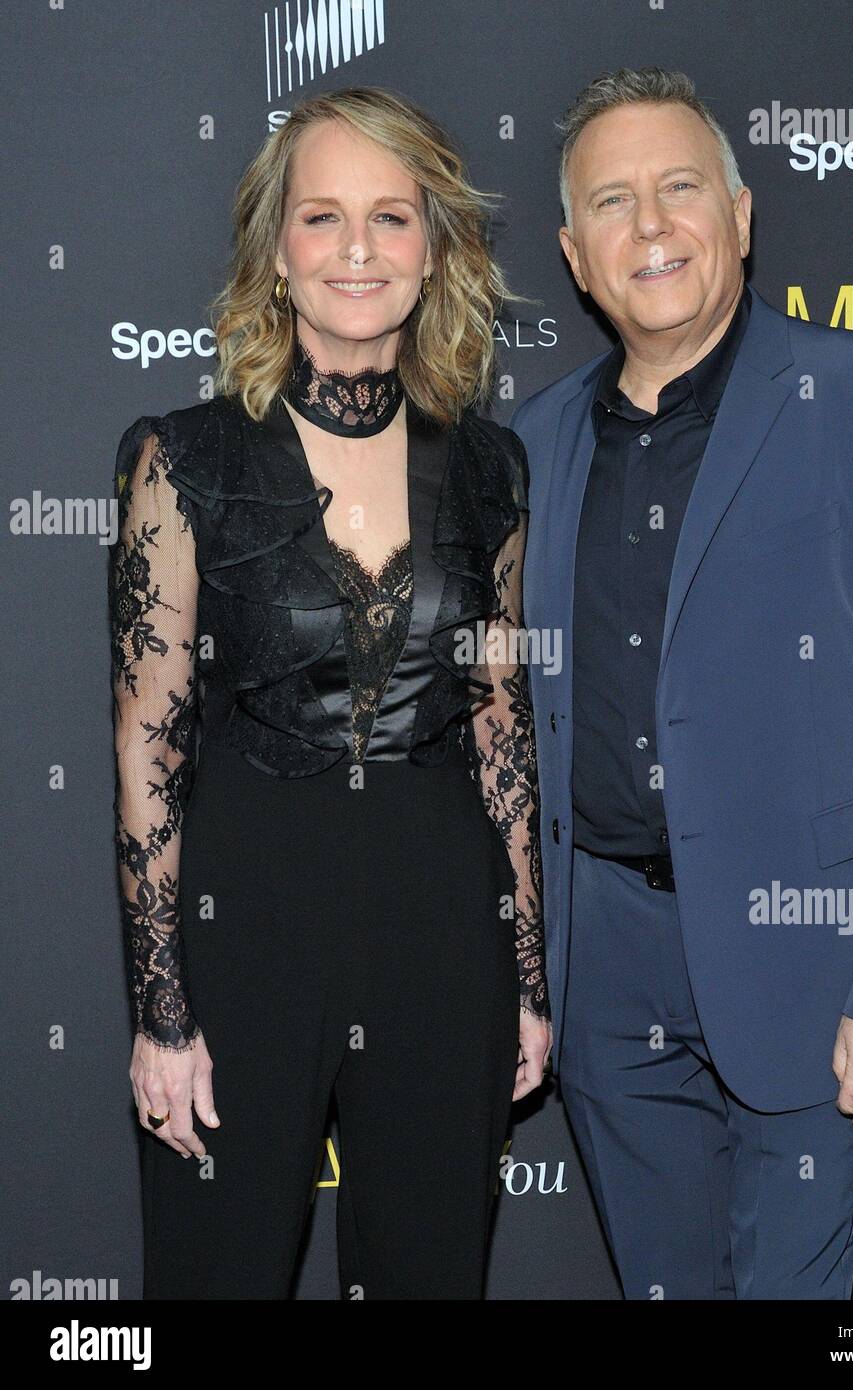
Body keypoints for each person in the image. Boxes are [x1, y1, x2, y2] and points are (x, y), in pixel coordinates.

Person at [510, 67, 853, 1299]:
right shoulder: (534, 445)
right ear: (576, 254)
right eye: (613, 202)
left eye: (680, 188)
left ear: (740, 213)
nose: (652, 225)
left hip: (813, 970)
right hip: (605, 980)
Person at [109, 86, 551, 1301]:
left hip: (441, 932)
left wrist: (524, 980)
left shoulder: (488, 465)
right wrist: (160, 1009)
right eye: (322, 217)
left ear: (433, 247)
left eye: (391, 217)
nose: (358, 249)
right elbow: (149, 738)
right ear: (275, 251)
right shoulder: (183, 458)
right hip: (244, 927)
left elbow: (500, 727)